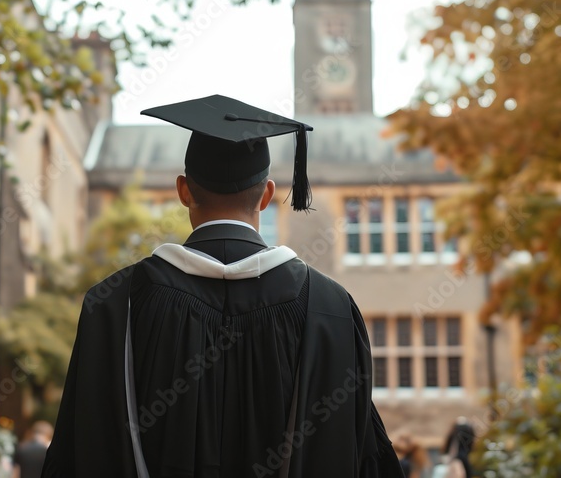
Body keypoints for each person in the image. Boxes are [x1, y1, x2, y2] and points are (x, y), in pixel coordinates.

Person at [41, 95, 401, 477]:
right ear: (267, 195)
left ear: (183, 191)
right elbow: (364, 454)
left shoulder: (114, 304)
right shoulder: (330, 308)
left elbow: (74, 452)